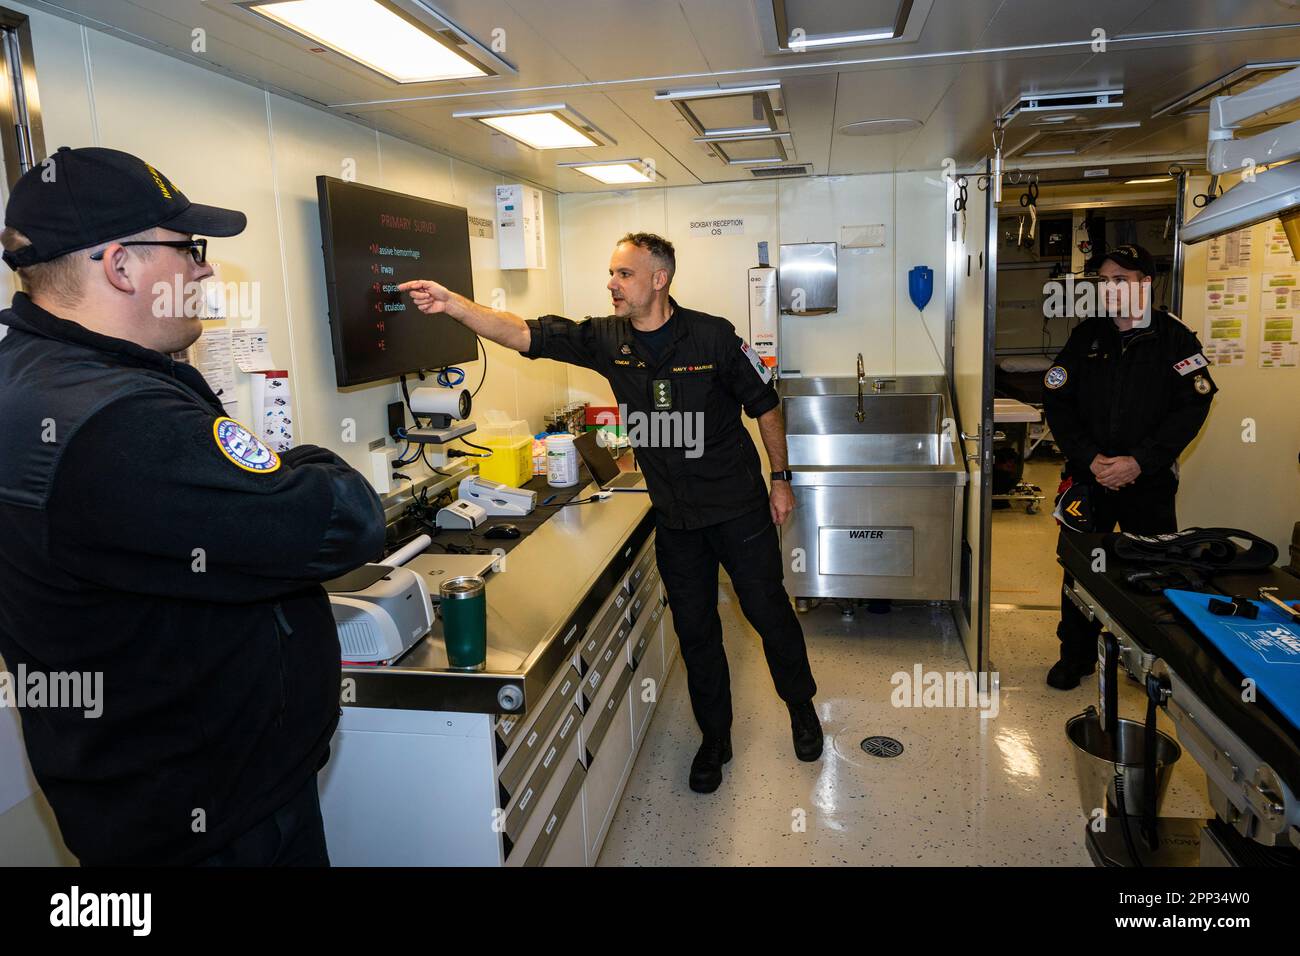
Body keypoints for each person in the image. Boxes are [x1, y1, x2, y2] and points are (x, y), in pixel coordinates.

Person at [0, 147, 386, 865]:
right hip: (210, 821)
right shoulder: (120, 423)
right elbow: (344, 519)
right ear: (120, 266)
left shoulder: (38, 378)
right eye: (188, 249)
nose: (204, 269)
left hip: (153, 797)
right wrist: (308, 463)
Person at [400, 232, 821, 793]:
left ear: (658, 279)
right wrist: (454, 304)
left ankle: (801, 707)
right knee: (696, 633)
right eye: (612, 273)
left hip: (737, 506)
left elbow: (765, 404)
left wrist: (781, 477)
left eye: (623, 274)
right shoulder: (605, 338)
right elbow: (521, 331)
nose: (612, 283)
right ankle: (714, 739)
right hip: (675, 517)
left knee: (768, 614)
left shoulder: (713, 336)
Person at [1042, 243, 1217, 689]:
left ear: (1145, 283)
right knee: (1082, 569)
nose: (1110, 288)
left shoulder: (1176, 339)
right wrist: (1089, 458)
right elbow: (1057, 401)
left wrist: (1140, 461)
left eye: (1121, 279)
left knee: (1151, 572)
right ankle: (1075, 655)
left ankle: (1147, 660)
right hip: (1090, 480)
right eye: (1104, 281)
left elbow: (1192, 406)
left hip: (1148, 483)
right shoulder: (1088, 337)